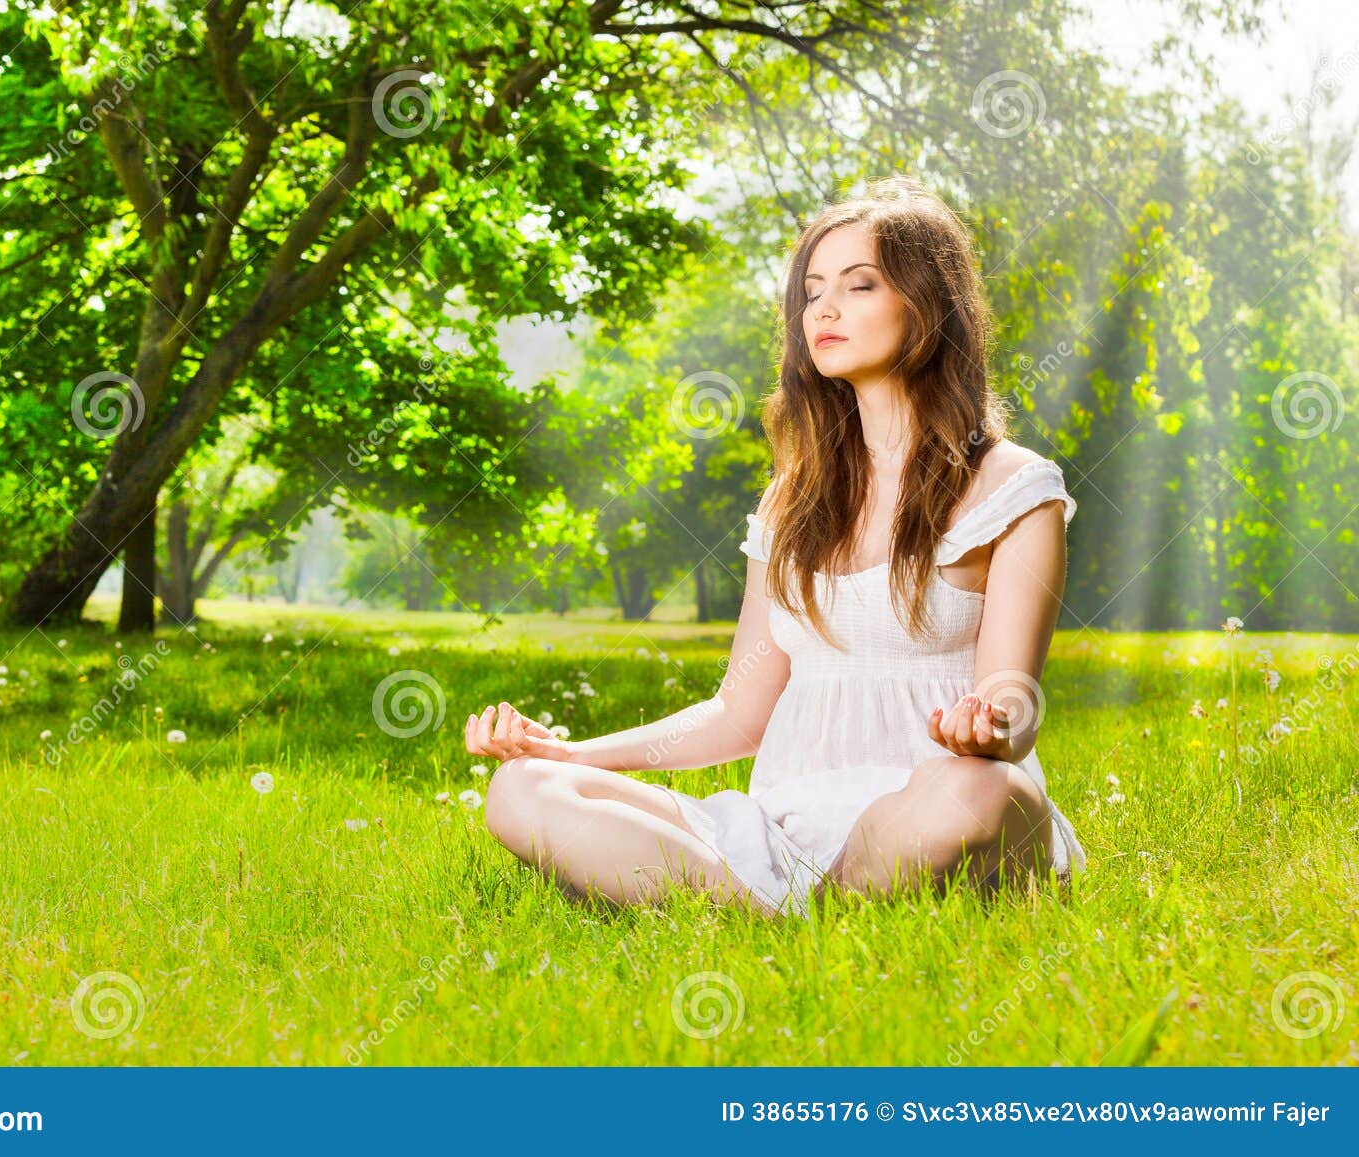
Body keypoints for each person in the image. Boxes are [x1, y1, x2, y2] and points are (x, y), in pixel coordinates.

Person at [465, 175, 1087, 918]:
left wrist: (990, 728)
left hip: (942, 810)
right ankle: (773, 917)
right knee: (523, 790)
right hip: (783, 830)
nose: (823, 308)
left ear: (928, 307)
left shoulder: (1013, 486)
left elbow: (1014, 696)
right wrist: (571, 753)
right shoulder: (792, 498)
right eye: (812, 290)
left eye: (859, 286)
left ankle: (781, 912)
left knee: (986, 789)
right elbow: (737, 713)